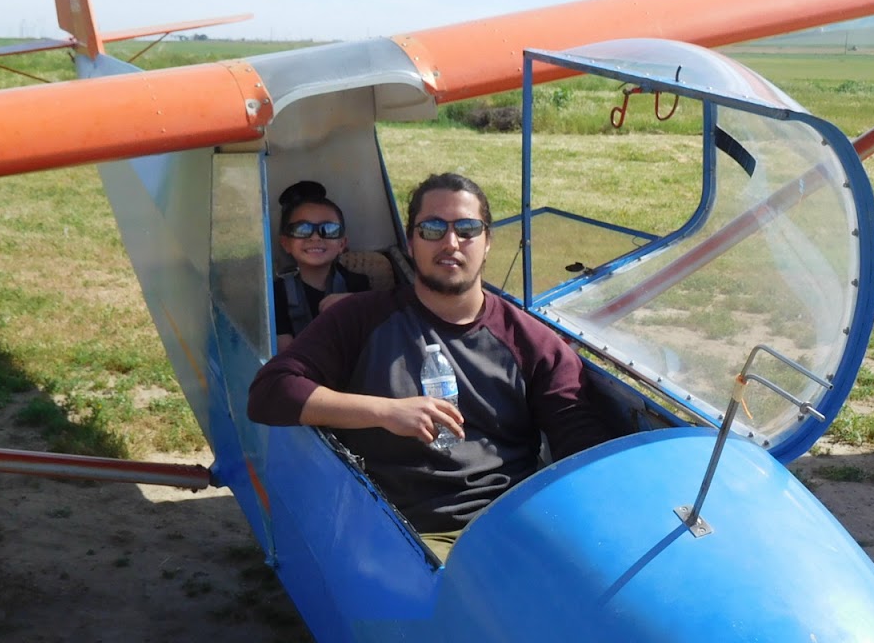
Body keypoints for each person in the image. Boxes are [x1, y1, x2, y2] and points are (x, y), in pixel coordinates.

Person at [248, 172, 611, 560]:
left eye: (467, 229)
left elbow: (581, 442)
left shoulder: (531, 341)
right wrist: (384, 412)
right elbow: (270, 392)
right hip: (408, 532)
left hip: (512, 522)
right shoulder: (360, 318)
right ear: (411, 243)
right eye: (433, 229)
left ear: (487, 242)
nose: (450, 242)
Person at [272, 180, 371, 349]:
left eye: (328, 229)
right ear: (286, 243)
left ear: (342, 244)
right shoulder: (277, 294)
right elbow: (286, 353)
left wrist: (356, 304)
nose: (315, 237)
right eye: (302, 229)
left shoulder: (358, 285)